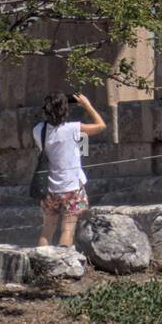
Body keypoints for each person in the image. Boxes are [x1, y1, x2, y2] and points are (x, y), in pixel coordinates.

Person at [32, 92, 106, 247]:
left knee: (47, 231)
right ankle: (63, 265)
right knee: (67, 230)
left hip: (49, 188)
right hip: (71, 187)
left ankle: (42, 264)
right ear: (65, 110)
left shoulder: (38, 130)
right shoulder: (73, 129)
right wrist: (87, 105)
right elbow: (101, 125)